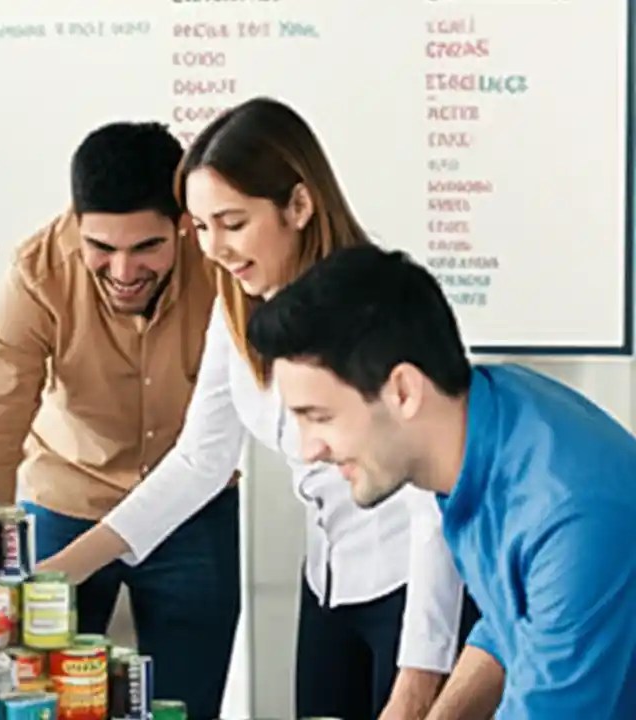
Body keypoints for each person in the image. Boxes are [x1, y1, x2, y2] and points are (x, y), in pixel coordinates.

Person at [38, 98, 478, 720]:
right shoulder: (239, 303)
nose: (214, 248)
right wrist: (60, 568)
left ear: (298, 205)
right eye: (201, 227)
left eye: (233, 223)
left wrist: (417, 679)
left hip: (417, 593)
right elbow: (200, 460)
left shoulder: (381, 310)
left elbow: (434, 505)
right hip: (327, 583)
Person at [247, 244, 636, 718]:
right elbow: (513, 620)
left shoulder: (567, 513)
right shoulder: (481, 426)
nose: (310, 449)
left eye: (320, 416)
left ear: (404, 391)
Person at [0, 121, 240, 718]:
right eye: (102, 248)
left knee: (185, 705)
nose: (122, 270)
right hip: (66, 500)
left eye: (146, 248)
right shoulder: (36, 273)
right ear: (76, 223)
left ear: (183, 225)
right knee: (48, 700)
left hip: (194, 509)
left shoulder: (224, 266)